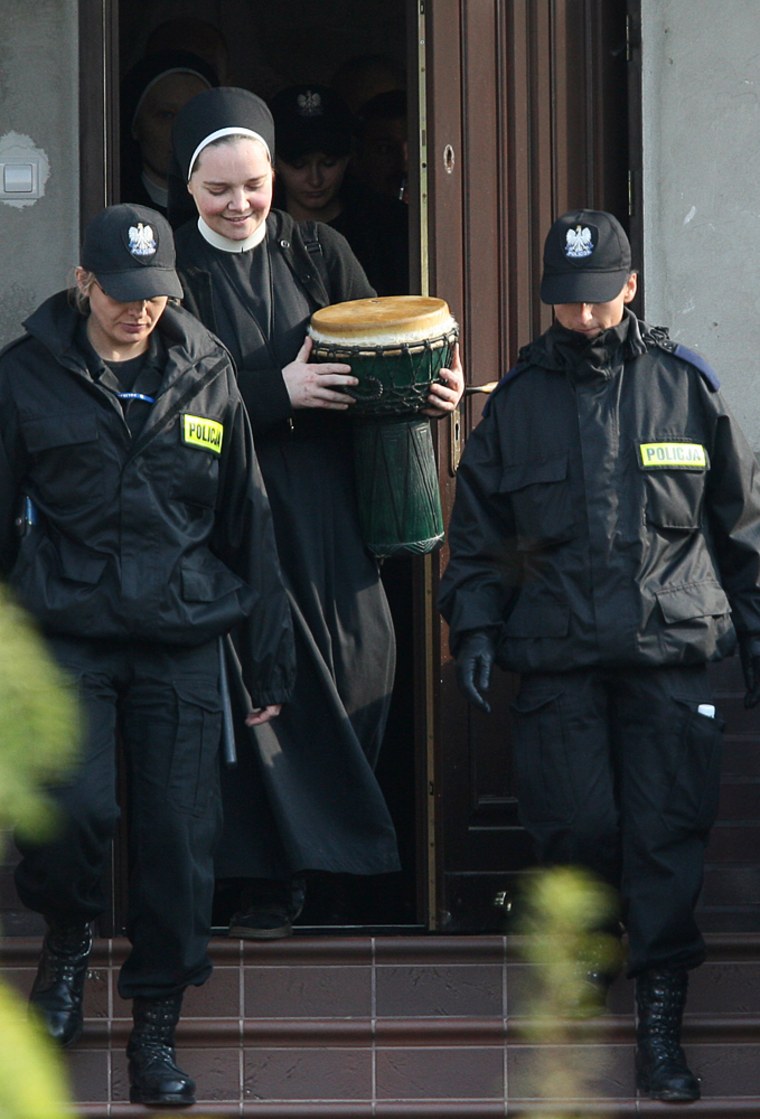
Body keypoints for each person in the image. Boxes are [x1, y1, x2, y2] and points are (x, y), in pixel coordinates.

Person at [438, 209, 760, 1103]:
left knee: (666, 841)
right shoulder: (516, 404)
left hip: (669, 657)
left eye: (595, 300)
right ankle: (592, 949)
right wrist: (474, 628)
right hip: (559, 658)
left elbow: (741, 529)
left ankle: (660, 1025)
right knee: (573, 826)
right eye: (564, 303)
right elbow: (480, 542)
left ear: (629, 286)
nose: (581, 318)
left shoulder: (685, 387)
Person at [0, 203, 295, 1106]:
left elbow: (247, 518)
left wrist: (269, 658)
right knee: (73, 811)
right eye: (123, 294)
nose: (140, 311)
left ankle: (154, 1031)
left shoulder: (206, 372)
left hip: (179, 634)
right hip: (66, 633)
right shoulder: (24, 376)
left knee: (178, 840)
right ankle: (68, 940)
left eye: (156, 295)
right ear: (83, 281)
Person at [168, 86, 463, 938]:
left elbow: (382, 347)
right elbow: (169, 413)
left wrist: (428, 393)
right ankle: (266, 883)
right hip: (229, 517)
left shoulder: (319, 251)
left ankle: (338, 873)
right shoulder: (174, 276)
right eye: (217, 189)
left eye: (251, 184)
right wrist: (278, 393)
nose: (238, 204)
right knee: (265, 691)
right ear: (189, 190)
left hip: (331, 504)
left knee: (362, 662)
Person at [270, 82, 409, 295]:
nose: (315, 179)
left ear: (349, 157)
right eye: (299, 165)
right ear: (274, 163)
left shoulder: (388, 228)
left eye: (328, 163)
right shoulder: (255, 230)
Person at [120, 49, 218, 214]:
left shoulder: (236, 210)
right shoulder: (110, 202)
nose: (182, 130)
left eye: (196, 115)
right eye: (166, 115)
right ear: (136, 125)